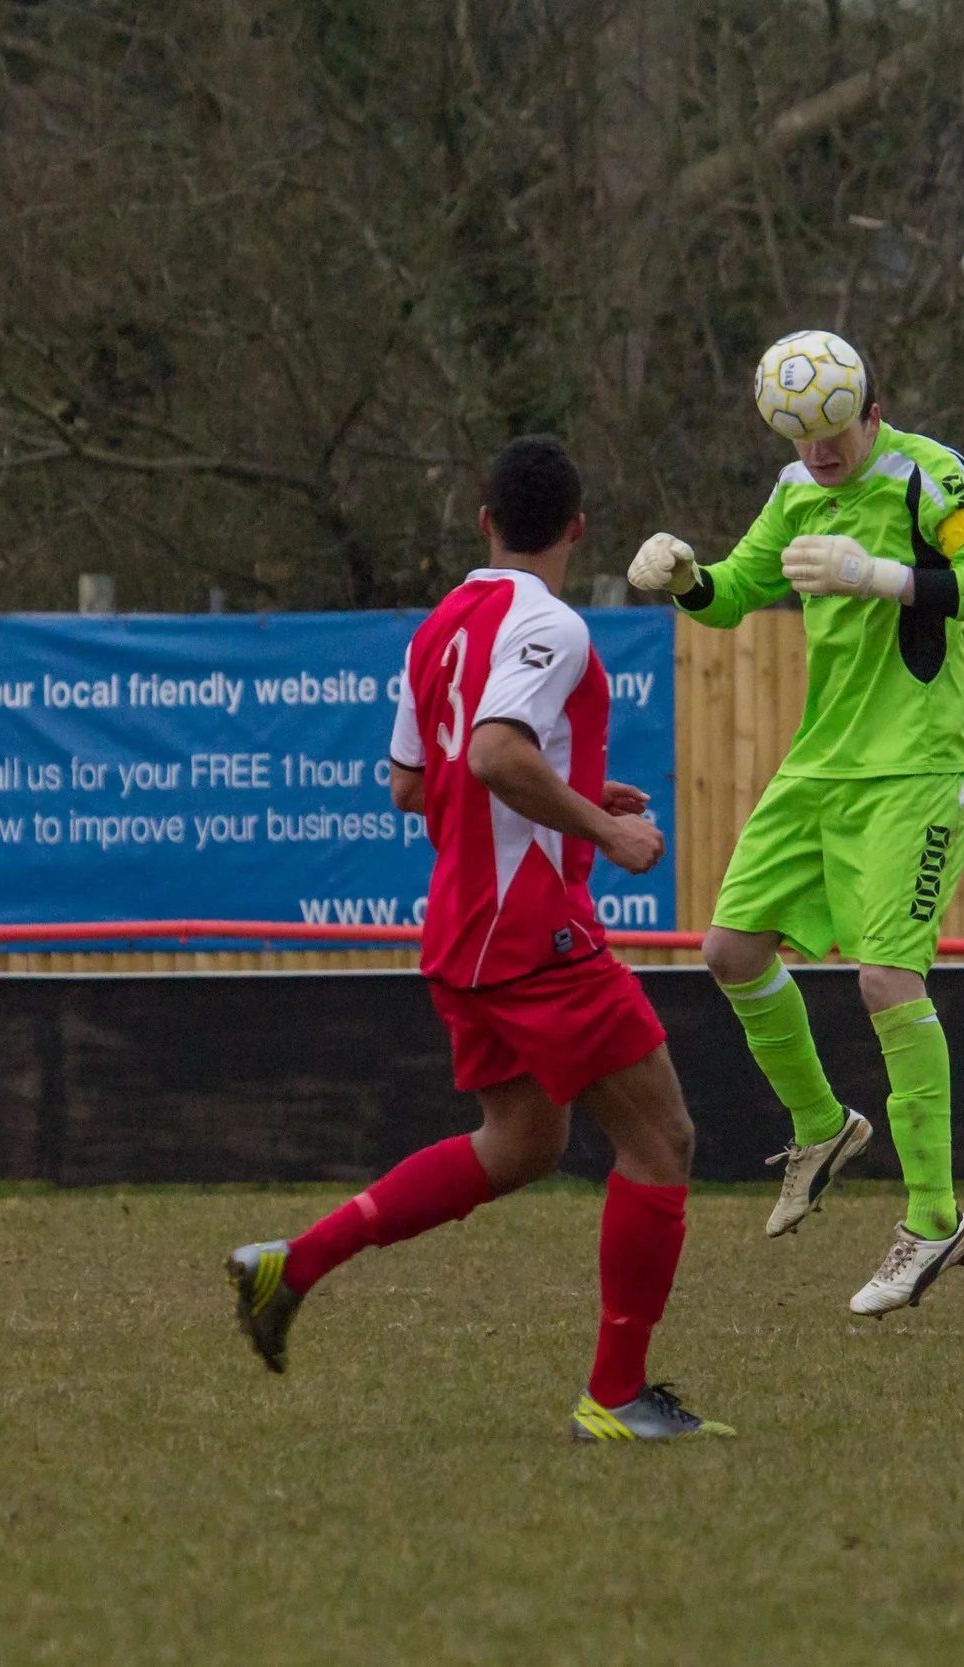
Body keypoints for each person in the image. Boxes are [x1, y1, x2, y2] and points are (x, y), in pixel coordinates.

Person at [227, 436, 730, 1441]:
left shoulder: (442, 625)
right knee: (661, 1137)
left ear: (485, 522)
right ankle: (618, 1394)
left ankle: (294, 1261)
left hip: (459, 927)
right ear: (579, 531)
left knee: (523, 1140)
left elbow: (416, 782)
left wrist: (565, 796)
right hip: (527, 929)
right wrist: (604, 827)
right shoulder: (552, 625)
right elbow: (499, 753)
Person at [624, 338, 964, 1316]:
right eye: (798, 438)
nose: (819, 454)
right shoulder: (794, 489)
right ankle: (821, 1123)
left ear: (869, 407)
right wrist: (681, 578)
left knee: (887, 974)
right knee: (728, 947)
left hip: (917, 768)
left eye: (831, 434)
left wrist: (883, 574)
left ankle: (933, 1220)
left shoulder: (931, 474)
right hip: (820, 768)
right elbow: (735, 594)